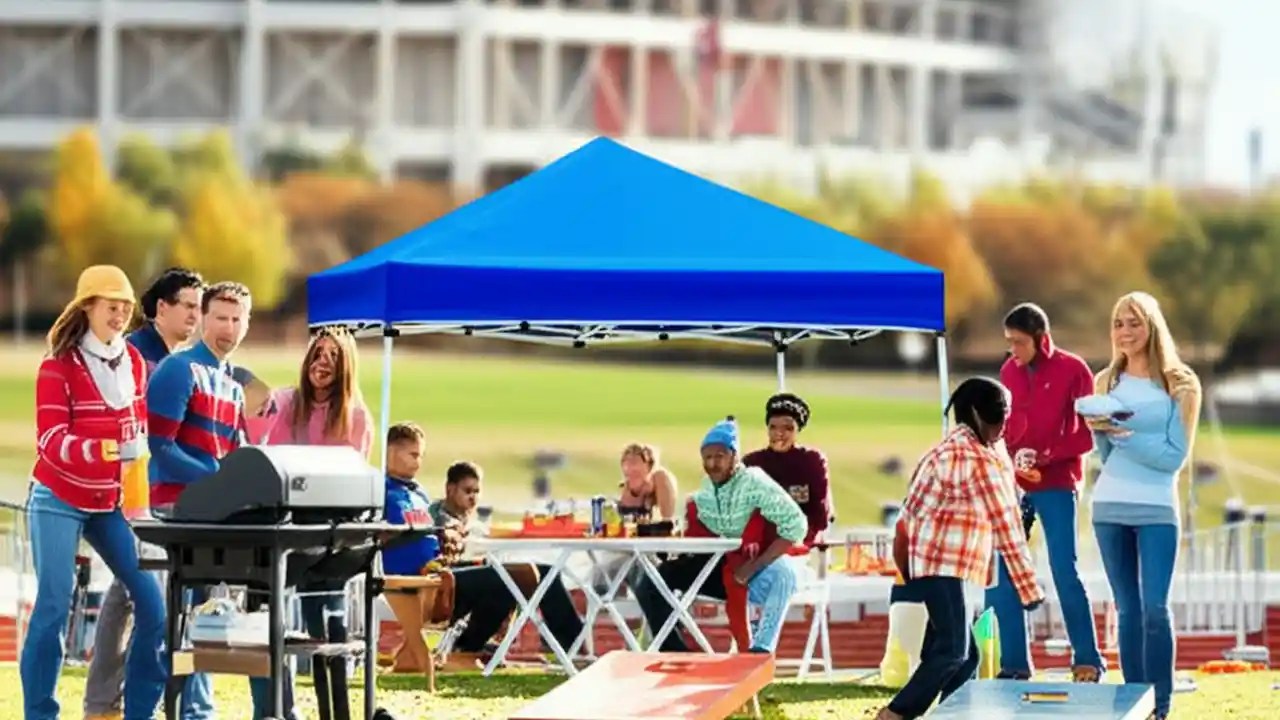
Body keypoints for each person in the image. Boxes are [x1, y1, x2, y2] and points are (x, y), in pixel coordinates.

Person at [22, 265, 167, 720]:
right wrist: (106, 449)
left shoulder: (135, 364)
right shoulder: (58, 366)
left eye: (126, 307)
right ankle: (41, 713)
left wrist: (137, 488)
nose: (121, 314)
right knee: (53, 603)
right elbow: (50, 441)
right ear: (87, 307)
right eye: (112, 305)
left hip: (111, 503)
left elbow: (137, 433)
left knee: (153, 603)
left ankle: (138, 712)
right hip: (57, 497)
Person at [875, 378, 1044, 720]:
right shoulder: (977, 458)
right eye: (1000, 416)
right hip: (945, 566)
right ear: (977, 414)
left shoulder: (946, 450)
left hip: (927, 563)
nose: (1004, 425)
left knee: (966, 656)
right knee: (953, 651)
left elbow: (908, 513)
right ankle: (894, 715)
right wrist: (1029, 589)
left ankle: (950, 714)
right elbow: (1007, 527)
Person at [84, 266, 205, 720]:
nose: (196, 316)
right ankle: (111, 702)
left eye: (199, 307)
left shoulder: (183, 360)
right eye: (188, 306)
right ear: (161, 308)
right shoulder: (134, 354)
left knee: (133, 595)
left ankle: (114, 702)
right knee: (133, 594)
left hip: (160, 500)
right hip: (128, 497)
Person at [250, 326, 374, 720]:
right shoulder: (288, 402)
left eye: (332, 358)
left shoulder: (355, 415)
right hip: (289, 525)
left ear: (345, 368)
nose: (322, 364)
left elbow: (353, 479)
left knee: (327, 623)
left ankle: (335, 708)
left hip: (333, 531)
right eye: (317, 354)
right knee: (268, 612)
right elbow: (273, 458)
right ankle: (277, 708)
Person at [1087, 292, 1200, 720]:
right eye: (1118, 323)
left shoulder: (1181, 383)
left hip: (1157, 509)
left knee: (1155, 608)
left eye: (1133, 323)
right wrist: (1102, 432)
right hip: (1109, 507)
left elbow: (1174, 457)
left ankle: (1162, 705)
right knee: (1127, 610)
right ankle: (1133, 704)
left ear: (1152, 326)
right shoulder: (1105, 382)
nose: (1124, 332)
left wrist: (1125, 433)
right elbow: (1107, 457)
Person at [147, 281, 253, 717]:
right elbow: (160, 446)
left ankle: (197, 711)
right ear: (203, 318)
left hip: (214, 514)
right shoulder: (178, 371)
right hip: (175, 511)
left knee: (205, 617)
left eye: (237, 318)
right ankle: (166, 708)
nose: (229, 327)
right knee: (174, 620)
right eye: (220, 317)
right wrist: (219, 479)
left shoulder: (234, 385)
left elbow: (237, 452)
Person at [986, 302, 1104, 682]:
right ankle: (1015, 665)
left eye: (1019, 343)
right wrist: (1007, 456)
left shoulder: (1074, 370)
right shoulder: (1008, 371)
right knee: (1005, 573)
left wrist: (1047, 455)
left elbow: (1088, 435)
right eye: (1009, 343)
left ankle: (1087, 660)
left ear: (1042, 339)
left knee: (1062, 568)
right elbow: (1005, 429)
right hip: (1016, 485)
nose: (1013, 352)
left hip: (1058, 483)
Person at [635, 418, 807, 654]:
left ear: (735, 456)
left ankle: (761, 650)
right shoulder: (706, 489)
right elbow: (698, 529)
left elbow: (797, 525)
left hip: (760, 566)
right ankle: (677, 653)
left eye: (720, 456)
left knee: (784, 572)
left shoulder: (754, 482)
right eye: (707, 457)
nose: (713, 463)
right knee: (651, 581)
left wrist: (754, 566)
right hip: (724, 565)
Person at [429, 462, 586, 668]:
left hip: (473, 571)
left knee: (540, 575)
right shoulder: (438, 517)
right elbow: (443, 549)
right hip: (449, 580)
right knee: (525, 577)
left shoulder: (468, 520)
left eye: (477, 491)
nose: (473, 497)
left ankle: (467, 647)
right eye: (467, 491)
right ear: (450, 489)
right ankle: (575, 648)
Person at [743, 392, 833, 547]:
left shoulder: (812, 461)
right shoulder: (752, 463)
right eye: (773, 427)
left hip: (802, 546)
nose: (779, 433)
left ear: (797, 430)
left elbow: (820, 515)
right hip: (761, 548)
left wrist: (796, 542)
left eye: (788, 428)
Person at [617, 442, 678, 521]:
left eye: (634, 462)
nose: (630, 467)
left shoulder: (660, 478)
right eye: (626, 462)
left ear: (649, 466)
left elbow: (667, 520)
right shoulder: (626, 488)